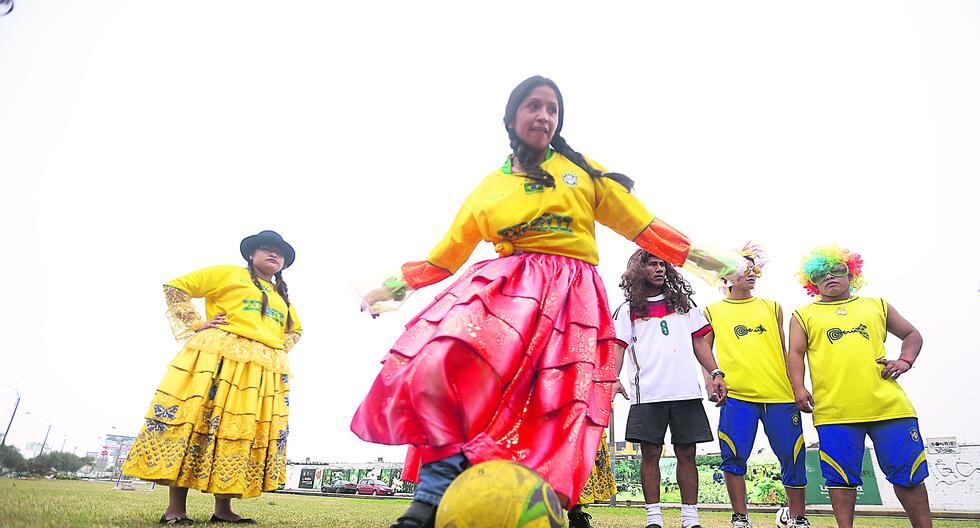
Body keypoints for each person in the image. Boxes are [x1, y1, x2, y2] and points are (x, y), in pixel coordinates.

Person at [350, 75, 739, 528]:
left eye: (553, 109)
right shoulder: (490, 186)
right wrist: (391, 288)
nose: (544, 115)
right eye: (534, 106)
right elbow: (445, 256)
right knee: (444, 363)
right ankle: (432, 497)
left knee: (557, 400)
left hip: (571, 298)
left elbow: (645, 227)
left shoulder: (581, 173)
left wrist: (713, 263)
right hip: (505, 295)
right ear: (512, 117)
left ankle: (561, 505)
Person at [122, 230, 302, 525]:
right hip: (216, 359)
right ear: (251, 255)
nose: (274, 255)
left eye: (279, 253)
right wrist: (196, 323)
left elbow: (296, 330)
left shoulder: (282, 296)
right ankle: (175, 509)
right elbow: (175, 287)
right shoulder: (227, 274)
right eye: (266, 249)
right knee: (195, 421)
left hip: (259, 370)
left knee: (240, 431)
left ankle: (223, 509)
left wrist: (276, 349)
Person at [787, 245, 931, 528]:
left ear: (851, 273)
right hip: (836, 412)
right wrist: (798, 388)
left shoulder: (877, 304)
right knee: (840, 480)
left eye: (837, 270)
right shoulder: (803, 315)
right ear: (811, 282)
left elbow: (912, 334)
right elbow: (794, 354)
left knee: (909, 476)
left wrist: (905, 361)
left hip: (890, 409)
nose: (829, 276)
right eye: (819, 273)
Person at [613, 249, 728, 528]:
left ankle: (690, 518)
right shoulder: (627, 310)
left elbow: (701, 342)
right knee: (650, 454)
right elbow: (617, 346)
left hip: (686, 392)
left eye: (662, 264)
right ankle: (654, 518)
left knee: (687, 453)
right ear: (638, 271)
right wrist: (612, 378)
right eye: (652, 264)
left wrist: (715, 373)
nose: (659, 268)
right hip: (647, 394)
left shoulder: (684, 305)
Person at [703, 244, 809, 528]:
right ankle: (741, 517)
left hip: (780, 396)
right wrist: (710, 382)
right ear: (725, 275)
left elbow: (787, 352)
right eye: (742, 269)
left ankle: (798, 518)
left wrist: (798, 387)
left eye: (753, 269)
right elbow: (705, 354)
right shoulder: (711, 312)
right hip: (737, 397)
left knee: (793, 456)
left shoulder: (773, 308)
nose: (750, 274)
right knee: (733, 457)